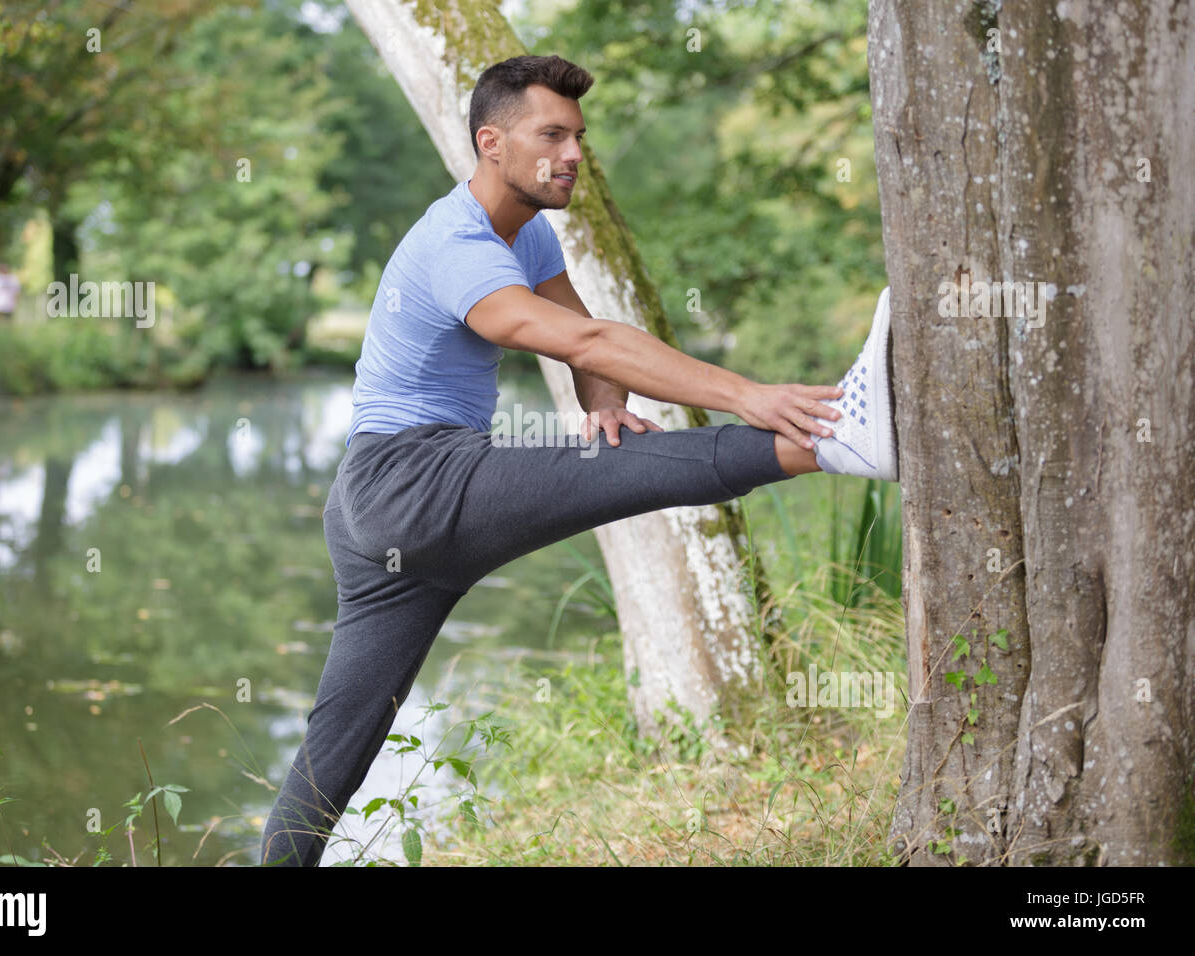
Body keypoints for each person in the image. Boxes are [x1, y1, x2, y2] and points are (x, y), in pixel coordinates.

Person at [260, 54, 898, 866]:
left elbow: (579, 331)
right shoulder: (456, 246)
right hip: (412, 483)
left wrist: (601, 403)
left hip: (367, 506)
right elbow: (590, 338)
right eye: (551, 134)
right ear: (492, 143)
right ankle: (836, 435)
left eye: (579, 138)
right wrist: (747, 393)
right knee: (641, 468)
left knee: (336, 745)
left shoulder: (523, 230)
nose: (572, 155)